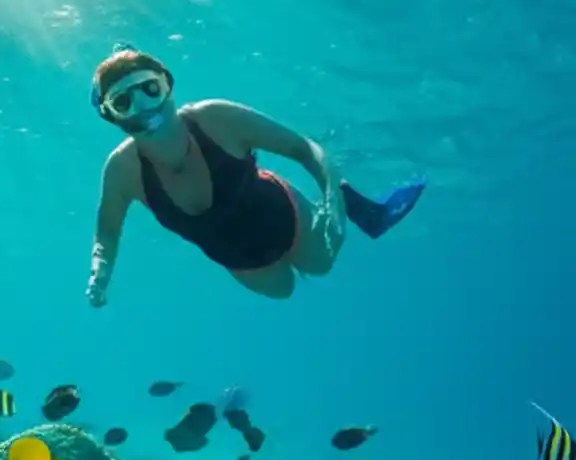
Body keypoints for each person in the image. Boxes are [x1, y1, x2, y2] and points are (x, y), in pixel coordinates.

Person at [85, 44, 425, 303]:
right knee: (283, 292)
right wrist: (100, 272)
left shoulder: (216, 119)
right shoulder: (122, 171)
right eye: (123, 102)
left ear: (168, 84)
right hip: (238, 256)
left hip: (282, 215)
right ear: (113, 117)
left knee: (321, 264)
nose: (145, 107)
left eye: (149, 88)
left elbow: (304, 148)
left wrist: (331, 199)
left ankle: (354, 202)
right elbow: (108, 231)